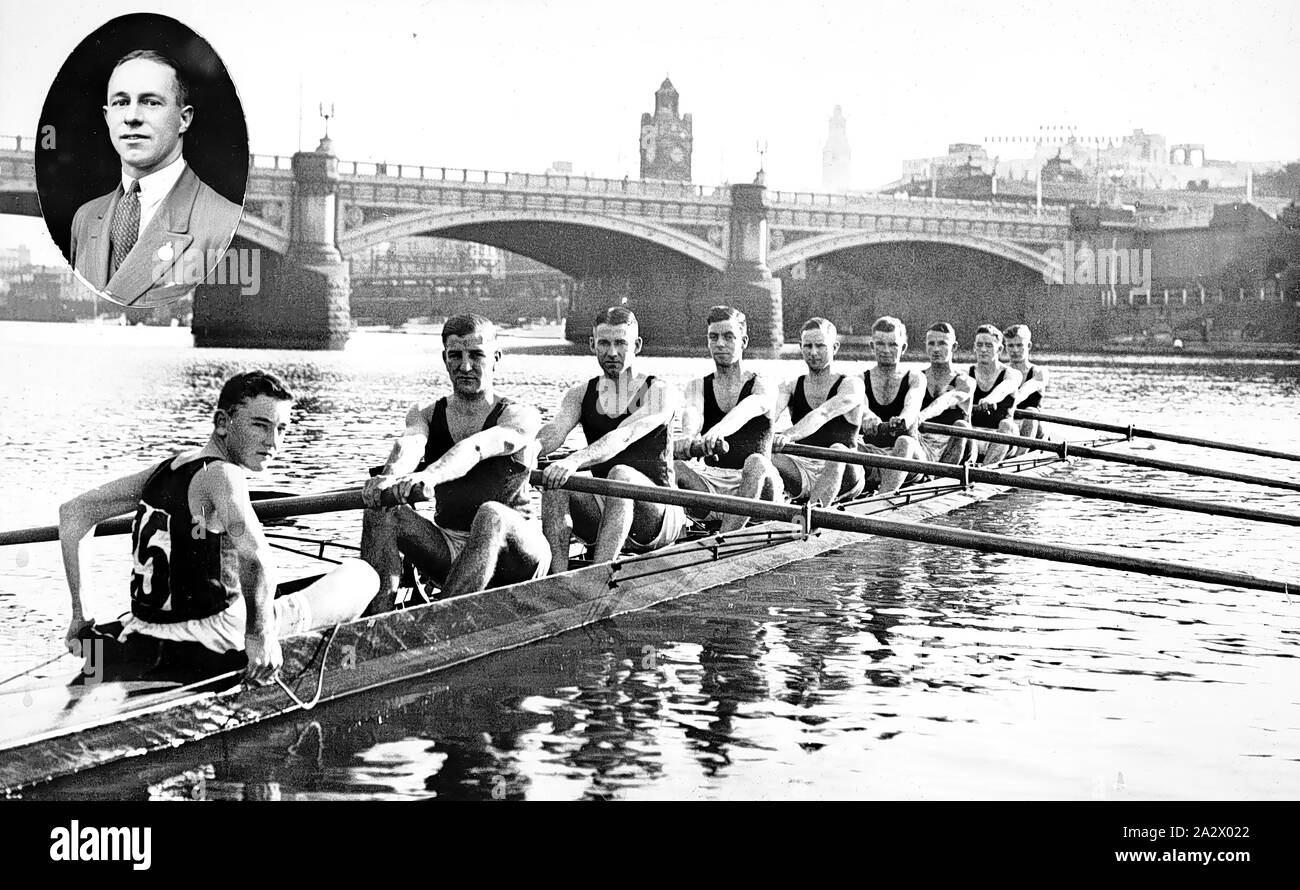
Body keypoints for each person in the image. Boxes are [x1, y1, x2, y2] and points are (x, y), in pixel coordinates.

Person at [58, 371, 377, 685]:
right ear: (223, 423)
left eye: (282, 429)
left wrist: (80, 616)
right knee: (363, 575)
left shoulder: (167, 468)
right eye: (260, 426)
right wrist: (260, 636)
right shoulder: (224, 475)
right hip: (212, 639)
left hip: (141, 630)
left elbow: (74, 514)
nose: (273, 441)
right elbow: (257, 558)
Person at [359, 314, 549, 613]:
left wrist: (431, 475)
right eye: (455, 356)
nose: (465, 366)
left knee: (491, 515)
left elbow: (476, 448)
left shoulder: (521, 415)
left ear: (496, 357)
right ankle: (373, 626)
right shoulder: (424, 412)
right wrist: (390, 476)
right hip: (450, 548)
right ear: (445, 359)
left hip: (518, 554)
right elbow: (411, 443)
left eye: (476, 355)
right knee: (381, 511)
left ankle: (439, 623)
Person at [69, 50, 242, 307]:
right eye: (120, 103)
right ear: (107, 117)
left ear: (184, 119)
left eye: (150, 102)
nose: (131, 117)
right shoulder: (85, 218)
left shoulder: (225, 223)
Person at [537, 306, 686, 572]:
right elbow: (553, 433)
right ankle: (555, 580)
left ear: (637, 345)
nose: (612, 352)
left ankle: (598, 576)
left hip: (658, 514)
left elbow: (623, 436)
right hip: (609, 508)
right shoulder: (580, 394)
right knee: (554, 483)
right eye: (604, 343)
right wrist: (520, 453)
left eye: (621, 343)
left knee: (620, 474)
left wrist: (573, 461)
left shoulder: (660, 392)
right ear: (593, 344)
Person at [674, 306, 782, 532]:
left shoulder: (763, 383)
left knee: (757, 463)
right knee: (674, 466)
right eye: (713, 337)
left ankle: (725, 539)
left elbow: (749, 407)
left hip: (758, 491)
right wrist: (687, 436)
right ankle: (671, 532)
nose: (720, 344)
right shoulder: (696, 385)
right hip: (712, 486)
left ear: (743, 342)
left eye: (728, 337)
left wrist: (719, 431)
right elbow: (693, 412)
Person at [771, 318, 866, 505]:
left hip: (846, 472)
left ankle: (809, 521)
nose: (813, 352)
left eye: (820, 346)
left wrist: (788, 435)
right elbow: (767, 416)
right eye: (808, 346)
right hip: (804, 467)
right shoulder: (790, 386)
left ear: (835, 347)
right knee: (763, 457)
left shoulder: (851, 384)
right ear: (800, 346)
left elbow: (823, 413)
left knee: (837, 450)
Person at [858, 316, 929, 492]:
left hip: (910, 458)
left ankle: (881, 500)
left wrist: (902, 420)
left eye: (893, 345)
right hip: (874, 454)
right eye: (880, 344)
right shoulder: (859, 379)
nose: (886, 350)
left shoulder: (915, 378)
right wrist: (867, 417)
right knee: (843, 445)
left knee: (904, 441)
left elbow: (912, 407)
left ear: (903, 348)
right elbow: (861, 406)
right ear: (872, 346)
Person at [916, 322, 975, 464]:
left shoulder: (965, 381)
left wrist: (922, 415)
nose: (936, 349)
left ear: (954, 347)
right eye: (931, 343)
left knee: (962, 426)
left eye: (942, 344)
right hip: (924, 443)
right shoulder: (917, 377)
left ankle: (940, 477)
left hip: (956, 444)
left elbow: (946, 400)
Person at [967, 324, 1023, 465]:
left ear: (999, 349)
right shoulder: (965, 374)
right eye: (979, 345)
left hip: (1003, 439)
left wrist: (990, 399)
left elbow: (1004, 388)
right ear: (974, 347)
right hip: (973, 437)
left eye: (989, 345)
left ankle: (985, 475)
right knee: (960, 424)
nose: (983, 350)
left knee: (1007, 425)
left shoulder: (1012, 374)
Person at [1004, 324, 1050, 444]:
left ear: (1028, 346)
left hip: (1034, 431)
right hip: (1010, 426)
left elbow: (1024, 391)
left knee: (1030, 412)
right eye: (1010, 345)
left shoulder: (1039, 372)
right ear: (1005, 347)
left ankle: (1019, 457)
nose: (1015, 350)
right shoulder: (1002, 371)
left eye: (1019, 345)